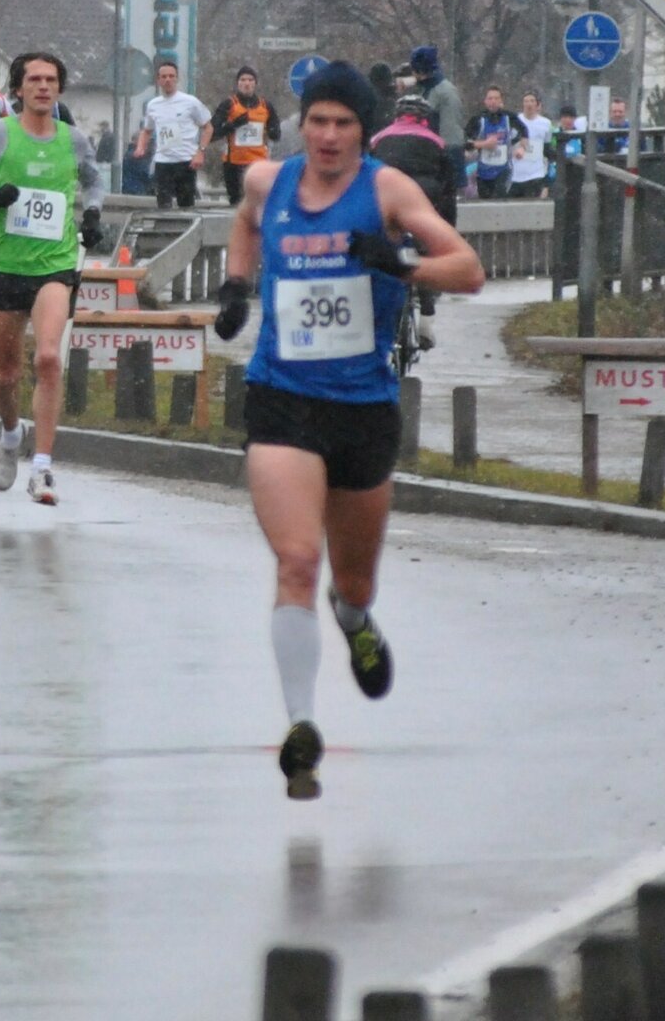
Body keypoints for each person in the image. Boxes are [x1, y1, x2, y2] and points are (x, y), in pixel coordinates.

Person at [212, 60, 485, 799]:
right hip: (283, 397)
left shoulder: (387, 190)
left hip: (363, 406)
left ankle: (356, 620)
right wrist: (237, 287)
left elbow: (467, 269)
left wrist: (399, 264)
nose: (329, 136)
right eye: (319, 121)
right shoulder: (269, 182)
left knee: (352, 579)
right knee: (298, 560)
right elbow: (243, 222)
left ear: (365, 131)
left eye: (344, 124)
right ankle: (300, 727)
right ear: (302, 123)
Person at [0, 51, 106, 505]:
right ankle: (11, 435)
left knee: (49, 358)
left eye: (51, 79)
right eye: (34, 79)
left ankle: (44, 469)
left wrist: (92, 212)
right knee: (6, 374)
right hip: (5, 265)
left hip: (54, 263)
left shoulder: (73, 140)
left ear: (59, 88)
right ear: (17, 88)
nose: (43, 87)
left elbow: (94, 181)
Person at [367, 93, 457, 350]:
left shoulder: (379, 139)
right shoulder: (437, 144)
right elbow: (449, 191)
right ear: (425, 119)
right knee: (424, 256)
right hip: (422, 201)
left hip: (386, 201)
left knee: (383, 257)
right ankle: (427, 321)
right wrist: (447, 228)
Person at [133, 57, 212, 209]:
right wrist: (140, 147)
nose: (168, 80)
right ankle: (167, 233)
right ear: (158, 80)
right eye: (164, 77)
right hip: (163, 162)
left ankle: (186, 231)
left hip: (185, 161)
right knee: (163, 206)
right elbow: (147, 130)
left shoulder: (190, 102)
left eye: (171, 76)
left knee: (186, 206)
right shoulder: (153, 105)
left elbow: (208, 127)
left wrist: (200, 152)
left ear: (177, 79)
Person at [209, 65, 281, 205]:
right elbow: (212, 133)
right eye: (243, 80)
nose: (246, 83)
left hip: (258, 163)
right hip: (233, 163)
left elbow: (276, 135)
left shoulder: (265, 106)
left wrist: (272, 130)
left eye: (250, 80)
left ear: (255, 83)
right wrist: (232, 125)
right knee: (237, 204)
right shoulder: (229, 104)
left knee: (258, 203)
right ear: (237, 83)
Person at [410, 44, 466, 193]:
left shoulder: (444, 92)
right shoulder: (427, 89)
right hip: (432, 155)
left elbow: (451, 132)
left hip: (443, 156)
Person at [465, 84, 525, 200]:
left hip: (503, 169)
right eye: (490, 98)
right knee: (486, 203)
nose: (493, 101)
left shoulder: (509, 117)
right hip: (483, 171)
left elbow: (525, 132)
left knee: (499, 199)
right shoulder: (478, 119)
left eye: (496, 98)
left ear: (501, 101)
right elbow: (466, 143)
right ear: (485, 101)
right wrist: (484, 144)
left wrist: (521, 148)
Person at [508, 89, 553, 199]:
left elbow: (547, 149)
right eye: (526, 101)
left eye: (532, 101)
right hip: (516, 173)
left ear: (537, 105)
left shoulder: (546, 123)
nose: (529, 104)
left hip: (535, 174)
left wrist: (546, 181)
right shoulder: (514, 121)